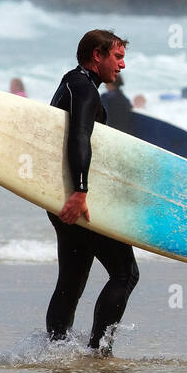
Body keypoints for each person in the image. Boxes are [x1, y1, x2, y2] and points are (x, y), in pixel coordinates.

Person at [46, 29, 139, 354]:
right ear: (97, 56)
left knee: (71, 281)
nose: (122, 65)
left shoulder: (69, 83)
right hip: (79, 200)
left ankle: (54, 350)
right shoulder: (85, 90)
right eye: (118, 57)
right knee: (125, 273)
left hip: (58, 197)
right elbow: (79, 137)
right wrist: (81, 192)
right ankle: (99, 351)